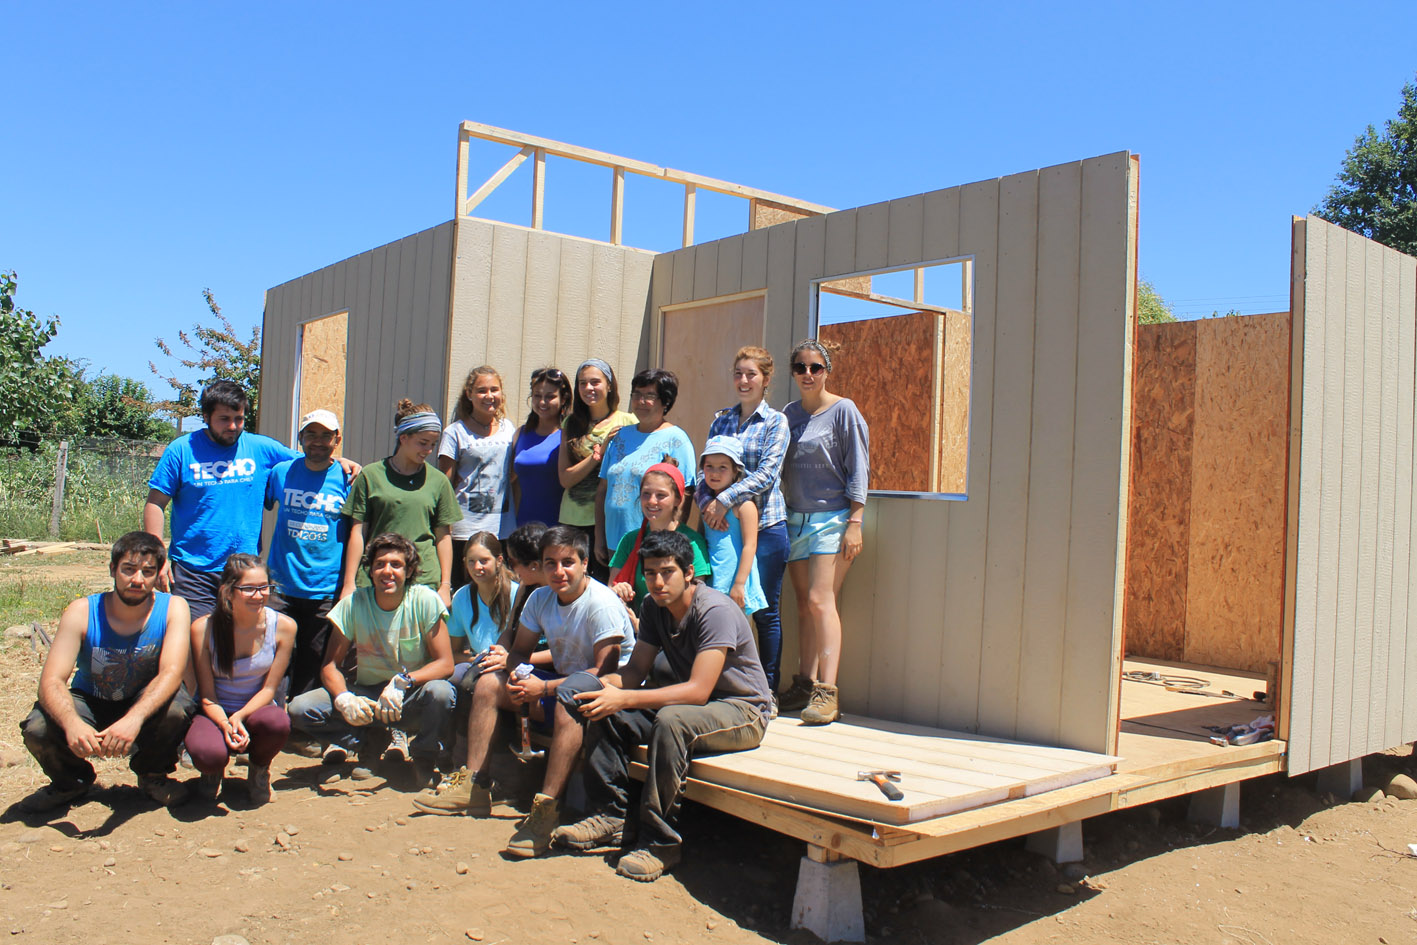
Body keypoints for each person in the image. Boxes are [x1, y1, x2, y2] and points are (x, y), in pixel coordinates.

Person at [552, 529, 771, 882]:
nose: (656, 581)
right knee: (608, 710)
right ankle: (610, 818)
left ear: (688, 572)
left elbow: (699, 691)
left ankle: (660, 842)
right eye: (650, 573)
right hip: (691, 706)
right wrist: (599, 686)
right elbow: (636, 670)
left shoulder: (714, 610)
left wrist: (624, 696)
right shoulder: (654, 607)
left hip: (741, 711)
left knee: (670, 721)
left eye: (666, 572)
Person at [412, 526, 634, 862]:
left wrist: (542, 688)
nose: (558, 571)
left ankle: (545, 812)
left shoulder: (600, 604)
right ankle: (474, 785)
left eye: (568, 562)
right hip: (562, 682)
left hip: (607, 695)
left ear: (585, 563)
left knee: (567, 698)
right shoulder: (540, 598)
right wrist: (519, 678)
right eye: (550, 563)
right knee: (488, 683)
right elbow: (518, 651)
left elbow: (605, 672)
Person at [143, 380, 358, 619]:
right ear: (206, 416)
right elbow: (155, 504)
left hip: (245, 571)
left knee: (240, 644)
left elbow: (311, 460)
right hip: (194, 570)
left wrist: (339, 462)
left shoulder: (260, 447)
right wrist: (156, 553)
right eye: (224, 419)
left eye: (239, 418)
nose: (233, 426)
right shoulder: (182, 450)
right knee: (198, 639)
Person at [19, 532, 194, 810]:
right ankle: (70, 782)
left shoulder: (173, 608)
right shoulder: (82, 611)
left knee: (178, 707)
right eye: (128, 569)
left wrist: (134, 719)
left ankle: (152, 775)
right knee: (37, 727)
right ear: (112, 569)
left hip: (143, 700)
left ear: (157, 574)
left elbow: (171, 672)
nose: (137, 580)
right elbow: (51, 680)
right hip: (90, 700)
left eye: (147, 572)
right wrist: (71, 723)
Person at [290, 532, 456, 789]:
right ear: (369, 569)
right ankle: (365, 742)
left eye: (396, 564)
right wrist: (344, 698)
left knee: (442, 692)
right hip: (367, 696)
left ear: (409, 569)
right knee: (300, 708)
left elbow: (445, 664)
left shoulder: (425, 600)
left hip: (408, 698)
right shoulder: (354, 604)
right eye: (379, 564)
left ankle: (424, 756)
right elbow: (329, 666)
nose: (387, 571)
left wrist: (403, 682)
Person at [780, 339, 870, 725]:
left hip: (832, 519)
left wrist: (855, 522)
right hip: (794, 518)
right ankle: (804, 682)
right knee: (804, 604)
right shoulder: (788, 414)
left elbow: (860, 469)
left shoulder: (844, 411)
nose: (808, 374)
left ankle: (826, 693)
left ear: (826, 371)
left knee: (821, 601)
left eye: (815, 367)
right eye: (800, 367)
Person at [696, 346, 790, 703]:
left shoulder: (776, 422)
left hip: (764, 526)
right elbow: (704, 470)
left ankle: (766, 692)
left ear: (765, 380)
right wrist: (709, 504)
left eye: (751, 374)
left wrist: (725, 499)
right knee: (720, 606)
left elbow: (767, 473)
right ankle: (723, 685)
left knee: (763, 611)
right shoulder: (720, 419)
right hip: (721, 529)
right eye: (738, 373)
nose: (743, 380)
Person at [185, 554, 296, 805]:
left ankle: (259, 769)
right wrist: (226, 722)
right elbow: (206, 695)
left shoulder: (284, 627)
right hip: (214, 711)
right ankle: (212, 772)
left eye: (264, 587)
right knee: (207, 753)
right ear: (227, 591)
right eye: (248, 589)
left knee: (278, 722)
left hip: (256, 709)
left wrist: (240, 716)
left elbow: (269, 689)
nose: (258, 595)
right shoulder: (203, 629)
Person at [342, 399, 462, 608]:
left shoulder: (439, 481)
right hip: (379, 579)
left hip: (423, 581)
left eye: (433, 444)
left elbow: (443, 536)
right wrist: (349, 583)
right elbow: (358, 532)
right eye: (423, 443)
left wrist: (444, 585)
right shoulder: (370, 476)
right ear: (403, 438)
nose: (428, 450)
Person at [265, 408, 349, 698]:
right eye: (311, 434)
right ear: (300, 438)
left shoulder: (348, 479)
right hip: (281, 584)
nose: (318, 441)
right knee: (274, 653)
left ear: (337, 440)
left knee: (314, 659)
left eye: (326, 435)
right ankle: (270, 717)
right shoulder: (281, 473)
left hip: (325, 586)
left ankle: (301, 728)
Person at [596, 368, 697, 566]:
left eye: (649, 396)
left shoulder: (676, 440)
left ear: (666, 401)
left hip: (653, 542)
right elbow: (602, 490)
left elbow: (685, 493)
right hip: (614, 540)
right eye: (637, 395)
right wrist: (599, 537)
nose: (641, 401)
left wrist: (670, 539)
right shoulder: (620, 436)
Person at [558, 359, 635, 580]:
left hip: (610, 520)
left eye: (595, 382)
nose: (588, 388)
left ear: (609, 385)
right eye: (583, 383)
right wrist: (597, 456)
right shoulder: (570, 424)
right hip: (573, 519)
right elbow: (565, 478)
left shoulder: (628, 421)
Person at [440, 366, 516, 588]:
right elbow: (445, 485)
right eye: (482, 390)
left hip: (502, 529)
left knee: (500, 592)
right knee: (466, 591)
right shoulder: (455, 433)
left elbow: (512, 475)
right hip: (465, 531)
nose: (489, 396)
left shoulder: (509, 429)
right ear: (469, 394)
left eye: (494, 389)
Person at [608, 462, 711, 618]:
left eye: (661, 495)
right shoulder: (629, 540)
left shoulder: (692, 542)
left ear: (678, 499)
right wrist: (618, 590)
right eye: (646, 494)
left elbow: (698, 596)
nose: (652, 501)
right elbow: (610, 589)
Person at [697, 436, 766, 617]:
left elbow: (750, 545)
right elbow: (700, 539)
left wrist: (739, 583)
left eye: (723, 467)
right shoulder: (705, 507)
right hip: (712, 581)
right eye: (709, 466)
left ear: (736, 472)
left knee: (736, 637)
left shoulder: (745, 506)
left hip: (736, 584)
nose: (715, 473)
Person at [446, 531, 518, 687]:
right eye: (471, 561)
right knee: (453, 680)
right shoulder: (461, 597)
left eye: (484, 561)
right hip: (479, 664)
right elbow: (453, 652)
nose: (477, 567)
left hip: (511, 665)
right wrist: (475, 659)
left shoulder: (517, 594)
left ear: (499, 561)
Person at [511, 367, 572, 527]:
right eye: (537, 396)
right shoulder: (520, 434)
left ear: (563, 399)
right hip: (523, 528)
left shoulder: (570, 436)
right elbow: (511, 481)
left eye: (550, 397)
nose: (542, 402)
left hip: (558, 529)